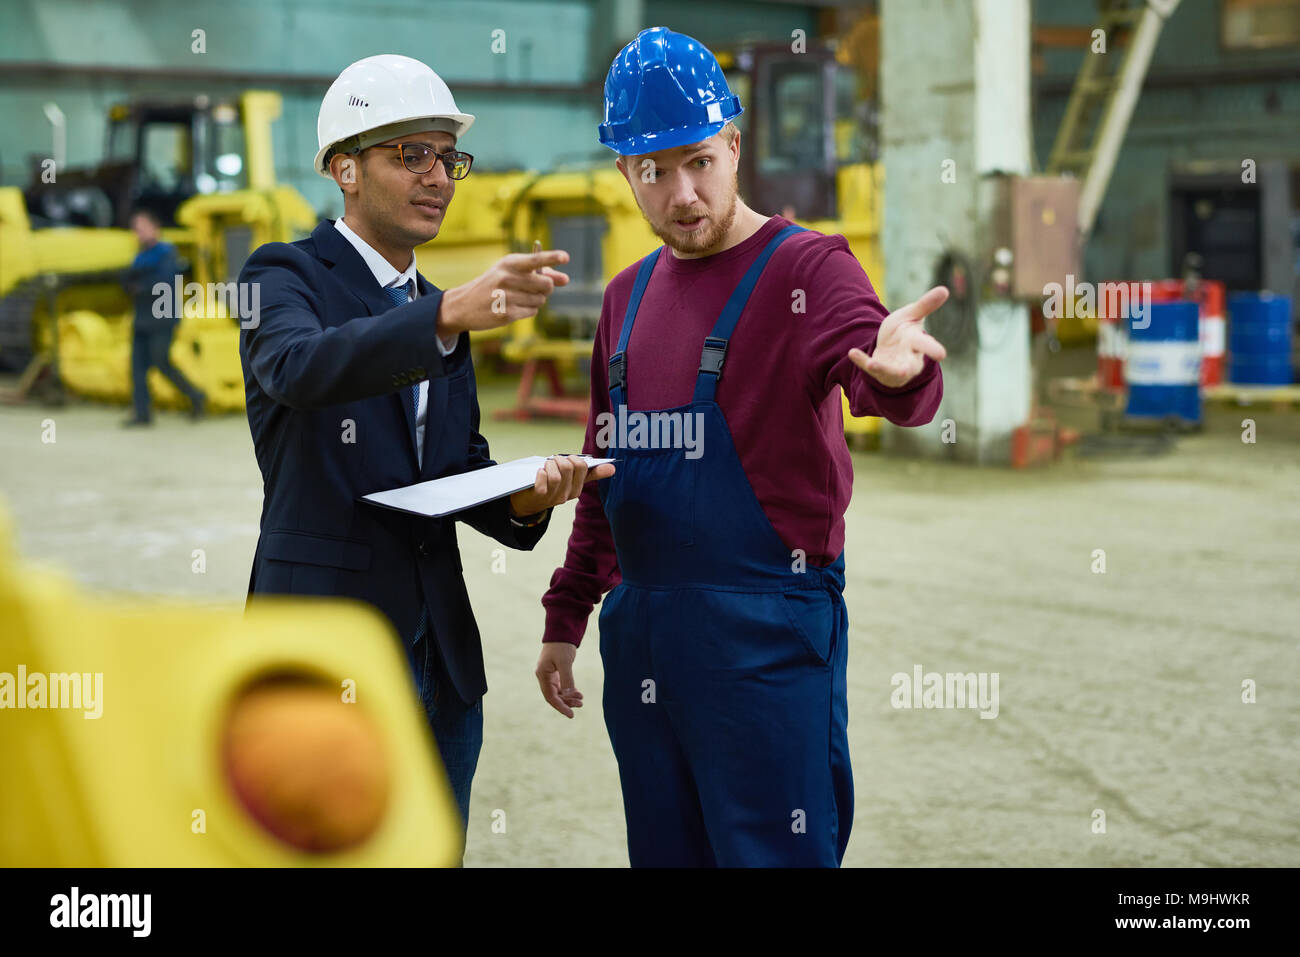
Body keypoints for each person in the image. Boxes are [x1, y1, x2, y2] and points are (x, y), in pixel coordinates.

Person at [535, 27, 948, 867]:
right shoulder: (625, 299)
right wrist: (567, 611)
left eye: (698, 162)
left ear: (733, 142)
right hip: (643, 634)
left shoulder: (810, 271)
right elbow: (605, 469)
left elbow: (875, 374)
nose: (681, 193)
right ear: (625, 173)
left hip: (766, 637)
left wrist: (904, 378)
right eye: (653, 170)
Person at [238, 54, 612, 855]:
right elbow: (301, 368)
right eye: (413, 153)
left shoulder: (430, 307)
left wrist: (526, 496)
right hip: (325, 642)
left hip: (439, 657)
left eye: (449, 157)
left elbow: (450, 465)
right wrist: (446, 316)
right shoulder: (282, 276)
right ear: (345, 167)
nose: (439, 176)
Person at [123, 208, 207, 425]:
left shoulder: (166, 253)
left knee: (162, 363)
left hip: (162, 319)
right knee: (137, 368)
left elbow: (162, 285)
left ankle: (196, 396)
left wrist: (138, 285)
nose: (138, 233)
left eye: (141, 227)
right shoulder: (140, 256)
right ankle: (142, 414)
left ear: (154, 228)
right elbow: (126, 284)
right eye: (135, 229)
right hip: (141, 319)